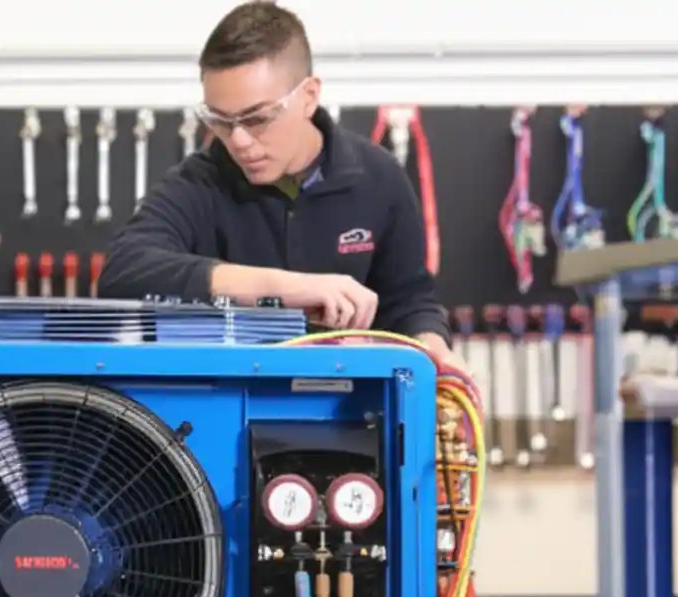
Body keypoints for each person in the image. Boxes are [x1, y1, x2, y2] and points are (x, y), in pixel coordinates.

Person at [97, 1, 456, 363]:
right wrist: (287, 289)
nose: (238, 141)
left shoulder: (379, 178)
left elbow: (411, 301)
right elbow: (125, 270)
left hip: (346, 405)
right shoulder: (199, 182)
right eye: (220, 120)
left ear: (309, 97)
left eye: (257, 119)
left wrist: (435, 349)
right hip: (229, 400)